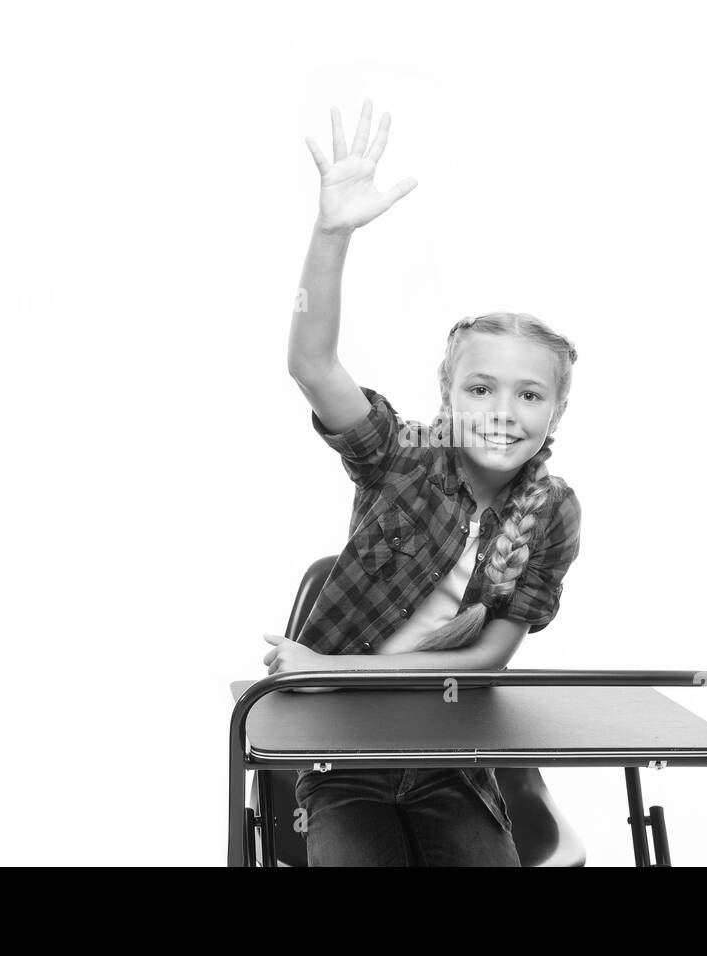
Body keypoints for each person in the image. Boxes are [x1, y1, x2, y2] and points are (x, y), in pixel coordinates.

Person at [262, 99, 582, 866]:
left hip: (454, 763)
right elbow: (311, 366)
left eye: (529, 394)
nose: (502, 413)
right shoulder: (403, 457)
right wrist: (331, 232)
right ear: (448, 397)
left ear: (557, 408)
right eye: (480, 389)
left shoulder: (553, 511)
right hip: (344, 761)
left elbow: (487, 660)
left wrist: (331, 668)